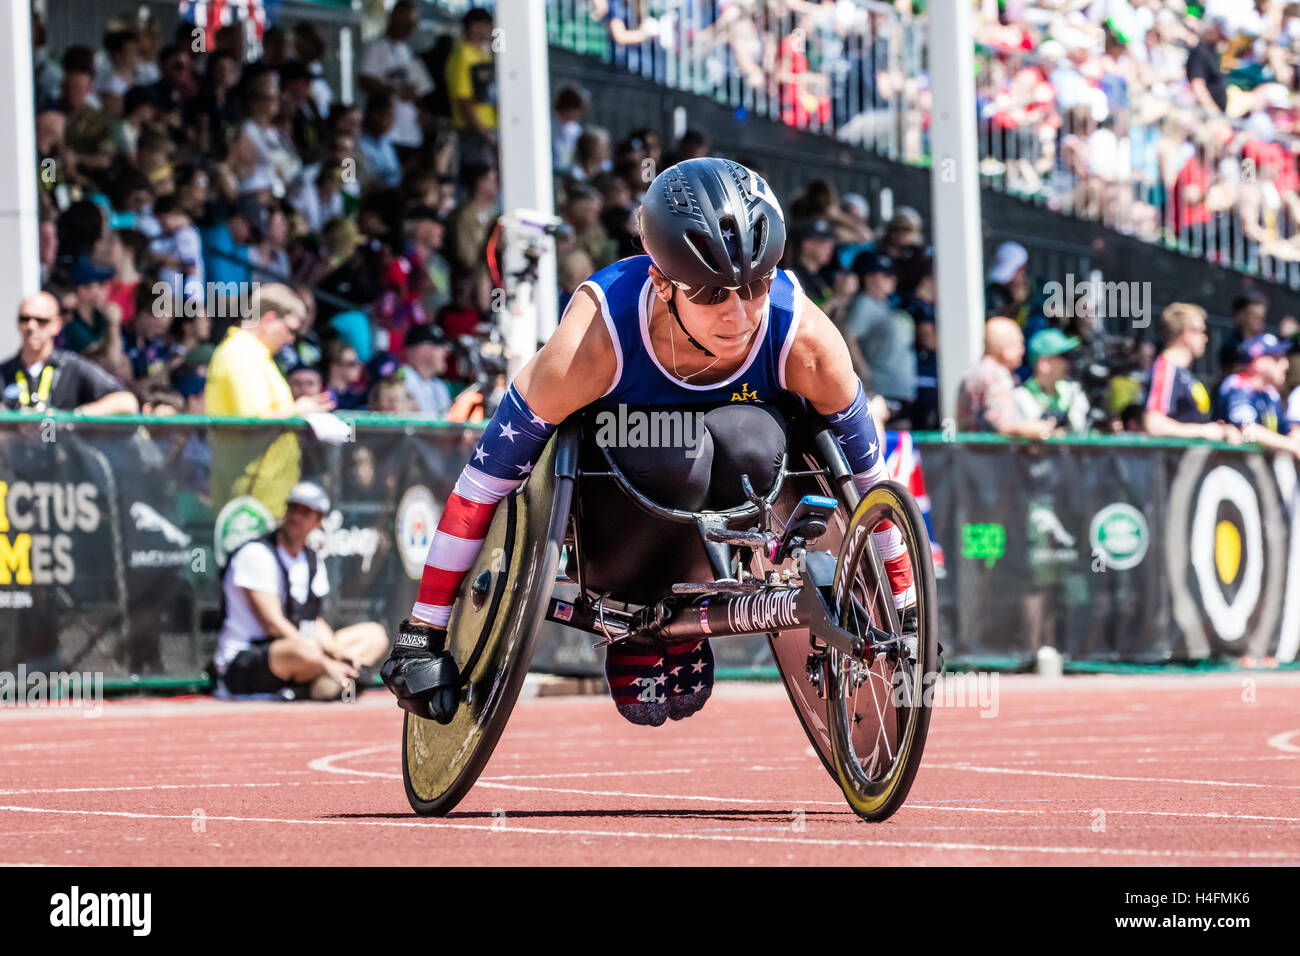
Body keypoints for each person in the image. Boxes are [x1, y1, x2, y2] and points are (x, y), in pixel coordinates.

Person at [381, 157, 917, 729]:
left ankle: (690, 607)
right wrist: (423, 629)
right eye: (712, 294)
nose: (739, 314)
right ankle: (634, 613)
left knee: (757, 442)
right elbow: (484, 482)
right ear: (662, 281)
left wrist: (906, 617)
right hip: (613, 479)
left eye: (756, 284)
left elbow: (870, 484)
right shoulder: (594, 337)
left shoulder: (804, 337)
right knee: (677, 453)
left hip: (734, 471)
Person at [213, 482, 390, 700]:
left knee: (375, 635)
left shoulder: (312, 561)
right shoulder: (255, 554)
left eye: (305, 512)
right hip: (244, 662)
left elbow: (312, 620)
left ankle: (325, 680)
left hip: (298, 652)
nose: (296, 516)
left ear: (319, 521)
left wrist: (334, 652)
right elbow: (273, 624)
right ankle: (328, 678)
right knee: (303, 651)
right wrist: (325, 661)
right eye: (293, 509)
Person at [205, 283, 334, 418]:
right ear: (269, 320)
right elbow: (254, 422)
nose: (291, 339)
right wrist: (298, 410)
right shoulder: (242, 354)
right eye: (290, 330)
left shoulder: (252, 353)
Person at [1, 291, 138, 414]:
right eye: (25, 319)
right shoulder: (4, 372)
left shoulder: (71, 366)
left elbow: (127, 401)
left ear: (57, 325)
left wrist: (76, 416)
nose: (31, 326)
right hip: (16, 442)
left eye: (41, 321)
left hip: (61, 442)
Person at [1143, 302, 1240, 441]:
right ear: (1187, 333)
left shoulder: (1182, 372)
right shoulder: (1166, 368)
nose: (1205, 338)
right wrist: (1203, 431)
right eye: (1201, 331)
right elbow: (1154, 424)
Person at [957, 317, 1055, 439]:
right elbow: (1000, 424)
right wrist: (1035, 428)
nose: (1023, 350)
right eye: (1019, 344)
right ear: (1005, 349)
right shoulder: (996, 374)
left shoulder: (975, 370)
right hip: (988, 454)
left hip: (968, 453)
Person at [1216, 334, 1300, 457]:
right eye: (1277, 358)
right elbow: (1248, 430)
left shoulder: (1271, 394)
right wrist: (1292, 445)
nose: (1285, 364)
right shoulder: (1237, 384)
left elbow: (1289, 431)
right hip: (1230, 466)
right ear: (1258, 362)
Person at [1013, 329, 1092, 436]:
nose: (1068, 362)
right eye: (1063, 356)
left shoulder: (1074, 392)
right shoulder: (1020, 397)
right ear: (1043, 363)